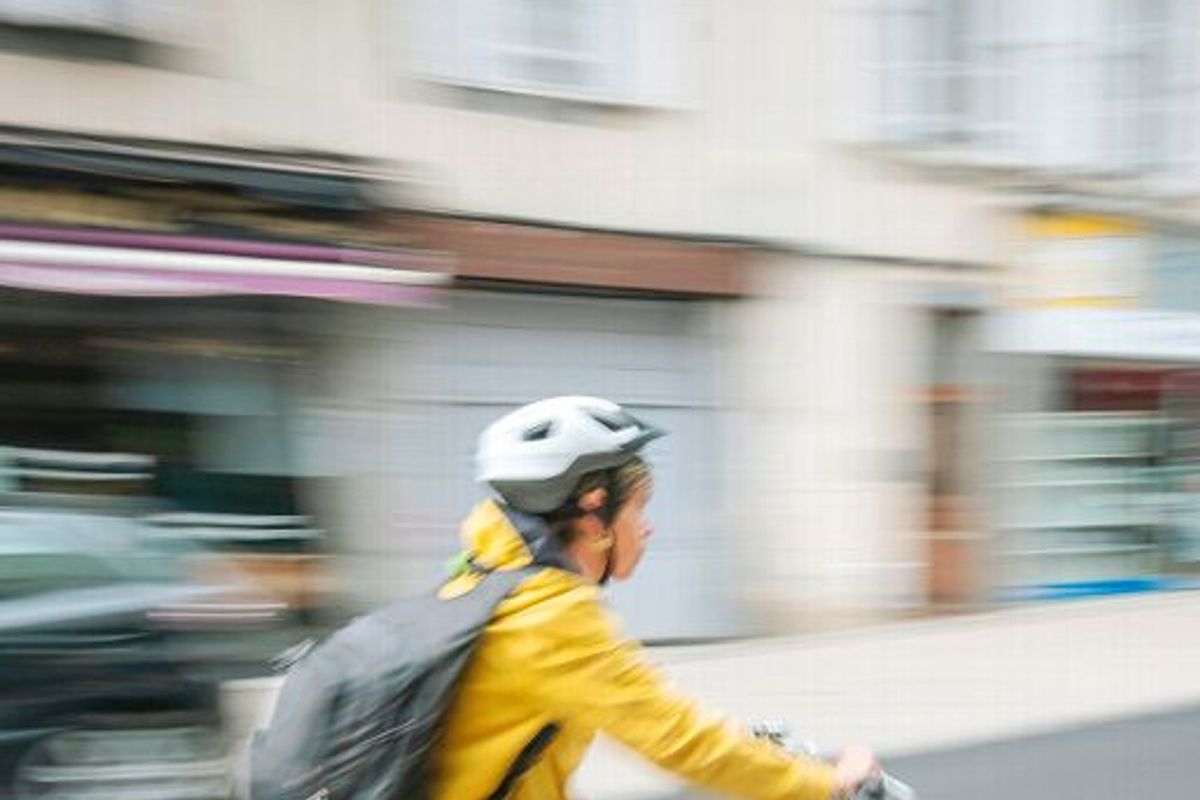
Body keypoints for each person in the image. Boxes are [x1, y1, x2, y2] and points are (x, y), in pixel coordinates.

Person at [431, 396, 880, 800]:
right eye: (639, 508)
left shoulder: (480, 584)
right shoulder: (548, 613)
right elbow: (677, 737)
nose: (647, 527)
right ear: (594, 512)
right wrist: (828, 785)